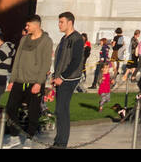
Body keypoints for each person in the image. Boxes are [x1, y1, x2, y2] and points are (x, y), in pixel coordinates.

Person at [6, 15, 54, 146]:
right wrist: (12, 79)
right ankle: (14, 135)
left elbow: (46, 63)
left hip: (35, 81)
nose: (26, 28)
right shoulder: (24, 39)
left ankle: (29, 137)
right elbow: (17, 60)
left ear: (36, 25)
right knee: (10, 108)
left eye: (28, 25)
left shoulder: (46, 41)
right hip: (19, 80)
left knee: (33, 112)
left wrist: (39, 82)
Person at [50, 12, 84, 148]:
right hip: (60, 78)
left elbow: (76, 61)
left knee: (62, 109)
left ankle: (61, 143)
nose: (59, 25)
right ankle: (58, 141)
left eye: (61, 22)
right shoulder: (64, 39)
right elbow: (60, 59)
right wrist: (55, 75)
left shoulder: (77, 39)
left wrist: (62, 77)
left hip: (69, 79)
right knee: (59, 110)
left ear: (70, 22)